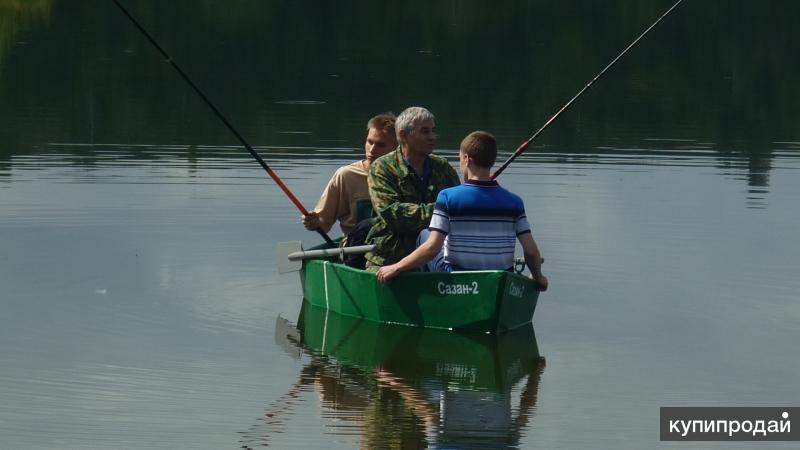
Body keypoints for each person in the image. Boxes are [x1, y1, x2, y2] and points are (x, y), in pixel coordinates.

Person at [376, 131, 548, 290]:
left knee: (424, 235)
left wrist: (396, 267)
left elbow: (431, 249)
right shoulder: (514, 202)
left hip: (461, 283)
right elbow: (531, 252)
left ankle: (429, 293)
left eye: (459, 159)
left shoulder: (448, 197)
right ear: (492, 160)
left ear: (467, 159)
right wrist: (539, 277)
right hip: (500, 279)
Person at [364, 106, 460, 271]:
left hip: (436, 255)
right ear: (403, 135)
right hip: (390, 260)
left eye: (433, 131)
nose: (432, 137)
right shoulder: (382, 168)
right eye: (424, 131)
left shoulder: (442, 166)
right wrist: (443, 212)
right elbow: (394, 215)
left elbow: (460, 202)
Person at [301, 112, 397, 238]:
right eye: (369, 142)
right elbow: (324, 224)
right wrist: (313, 222)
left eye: (380, 145)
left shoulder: (406, 176)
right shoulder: (346, 175)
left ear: (398, 148)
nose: (372, 150)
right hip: (356, 249)